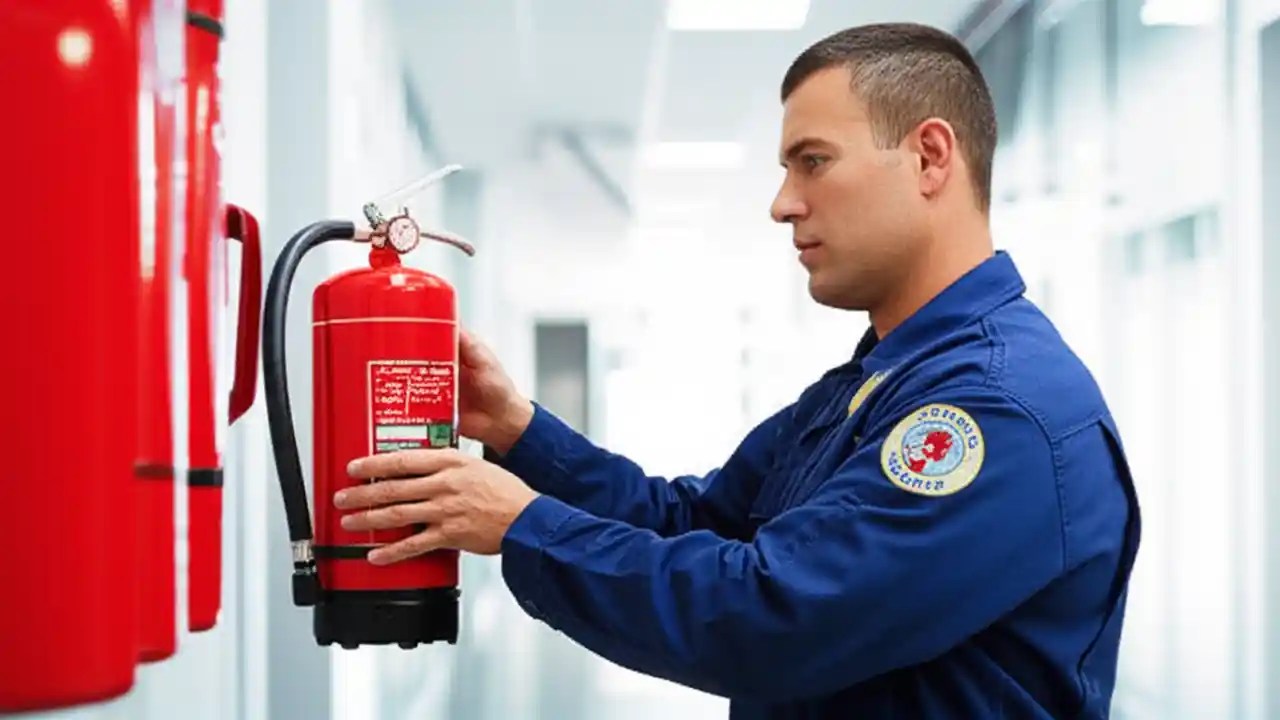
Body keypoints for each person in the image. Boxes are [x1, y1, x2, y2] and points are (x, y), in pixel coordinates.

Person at [333, 22, 1142, 719]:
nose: (783, 202)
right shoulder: (872, 387)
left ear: (930, 157)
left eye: (813, 161)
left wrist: (523, 525)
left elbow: (773, 616)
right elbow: (691, 524)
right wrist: (517, 428)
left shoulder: (998, 413)